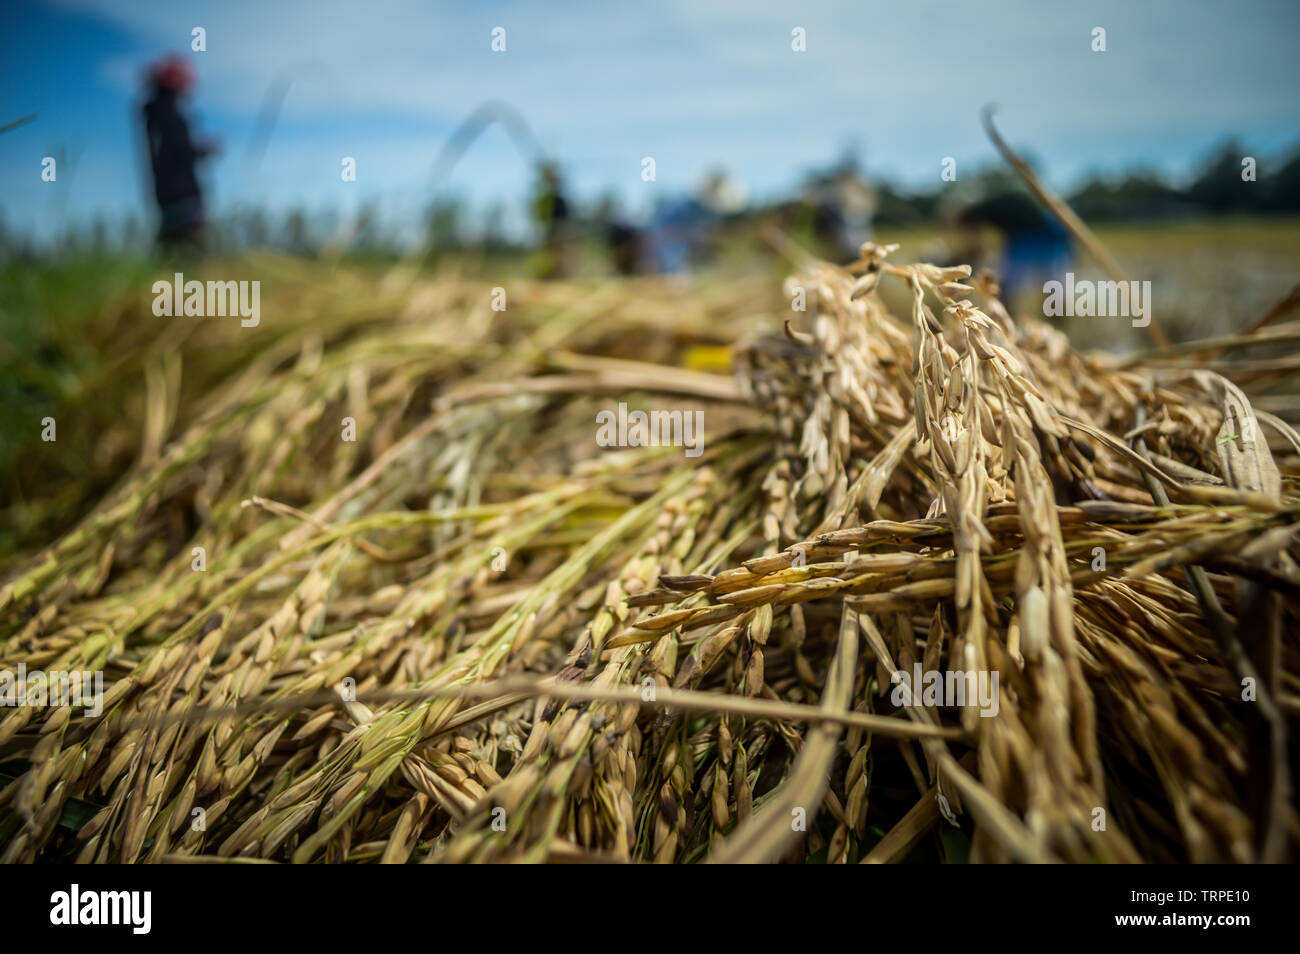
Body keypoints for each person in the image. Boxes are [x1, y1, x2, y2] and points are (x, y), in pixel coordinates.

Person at [142, 55, 217, 251]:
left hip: (164, 194)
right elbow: (183, 152)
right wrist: (206, 150)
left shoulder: (152, 115)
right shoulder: (170, 114)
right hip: (183, 193)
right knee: (192, 252)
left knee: (171, 251)